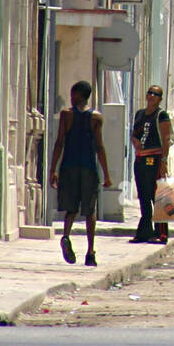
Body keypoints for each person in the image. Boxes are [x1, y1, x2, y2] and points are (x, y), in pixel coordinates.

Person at [50, 81, 112, 267]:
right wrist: (107, 174)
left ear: (78, 95)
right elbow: (99, 146)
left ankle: (66, 236)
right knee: (89, 211)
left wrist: (53, 169)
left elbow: (59, 142)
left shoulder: (66, 115)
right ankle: (90, 251)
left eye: (72, 94)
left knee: (71, 208)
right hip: (88, 168)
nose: (71, 97)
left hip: (69, 166)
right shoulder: (96, 117)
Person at [130, 85, 172, 244]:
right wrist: (135, 142)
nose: (152, 96)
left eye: (156, 94)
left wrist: (164, 161)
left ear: (160, 99)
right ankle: (144, 231)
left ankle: (161, 233)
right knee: (144, 196)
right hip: (140, 159)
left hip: (155, 159)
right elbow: (134, 134)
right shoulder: (140, 114)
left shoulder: (161, 115)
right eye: (150, 93)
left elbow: (166, 139)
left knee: (157, 197)